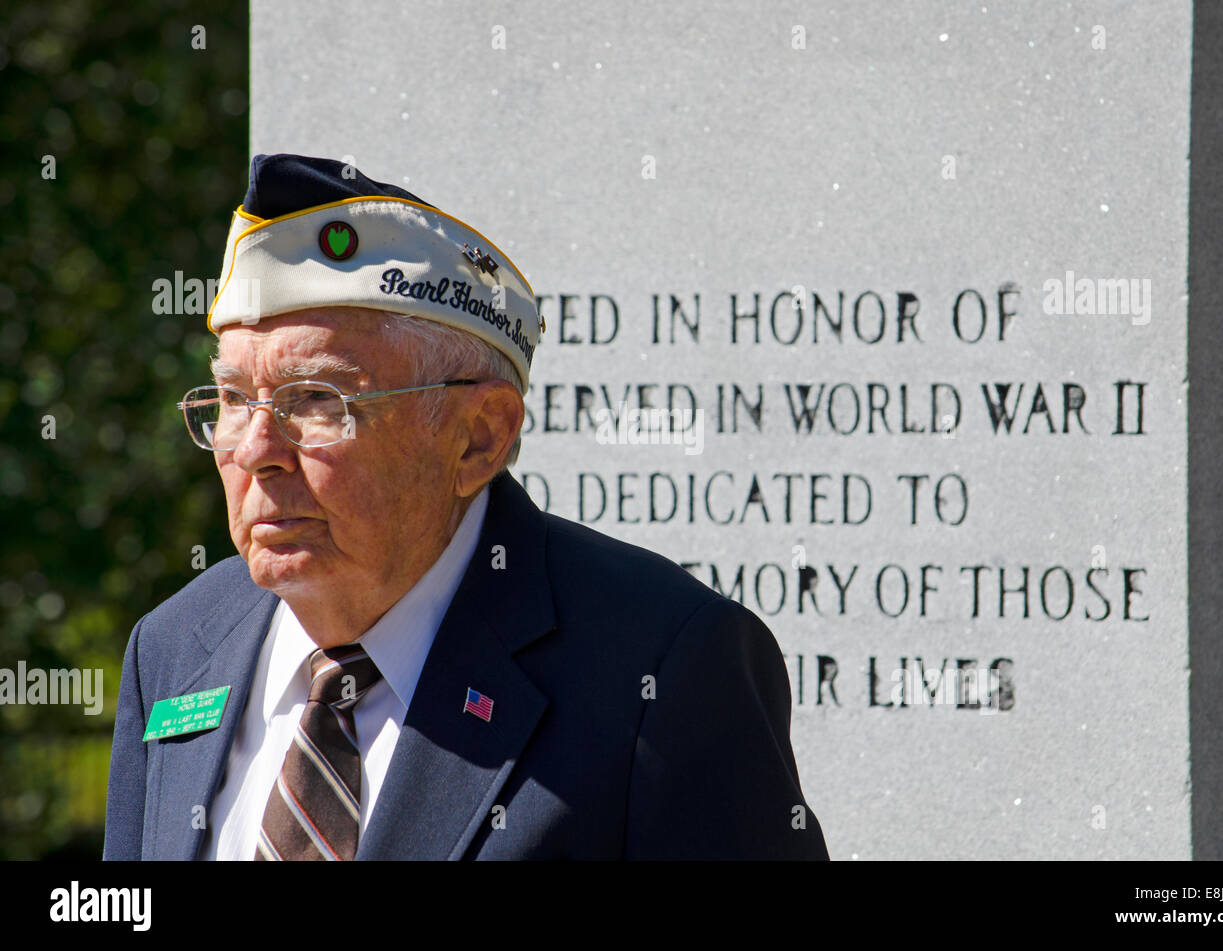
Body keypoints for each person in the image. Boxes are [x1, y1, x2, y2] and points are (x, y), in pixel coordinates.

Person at [103, 153, 828, 860]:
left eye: (318, 400)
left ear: (478, 438)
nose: (257, 447)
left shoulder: (662, 668)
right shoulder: (174, 648)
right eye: (234, 398)